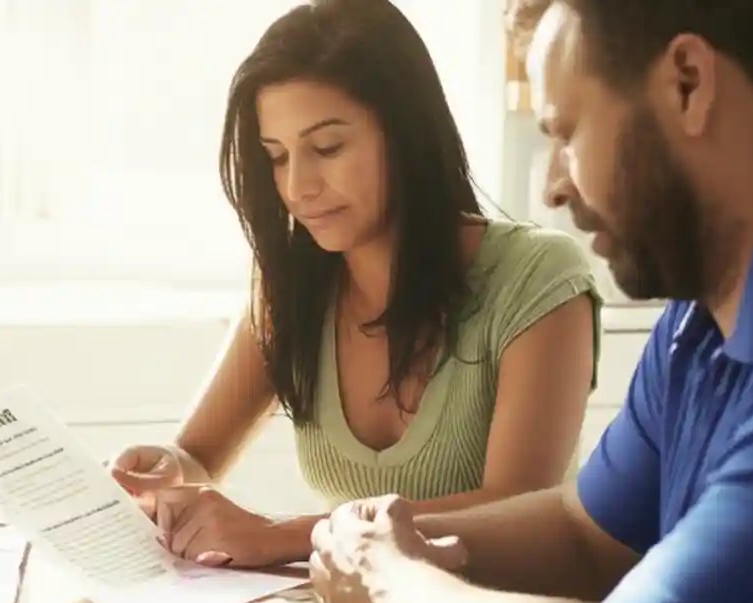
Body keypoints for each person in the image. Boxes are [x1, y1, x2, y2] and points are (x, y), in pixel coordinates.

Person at [309, 1, 753, 603]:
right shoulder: (701, 314)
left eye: (566, 132)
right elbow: (591, 535)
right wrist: (383, 533)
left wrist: (389, 584)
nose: (553, 186)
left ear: (689, 82)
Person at [109, 0, 602, 569]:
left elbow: (517, 511)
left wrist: (285, 534)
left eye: (327, 148)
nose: (298, 187)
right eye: (276, 157)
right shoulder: (290, 289)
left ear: (406, 133)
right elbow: (196, 455)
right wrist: (164, 471)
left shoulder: (538, 277)